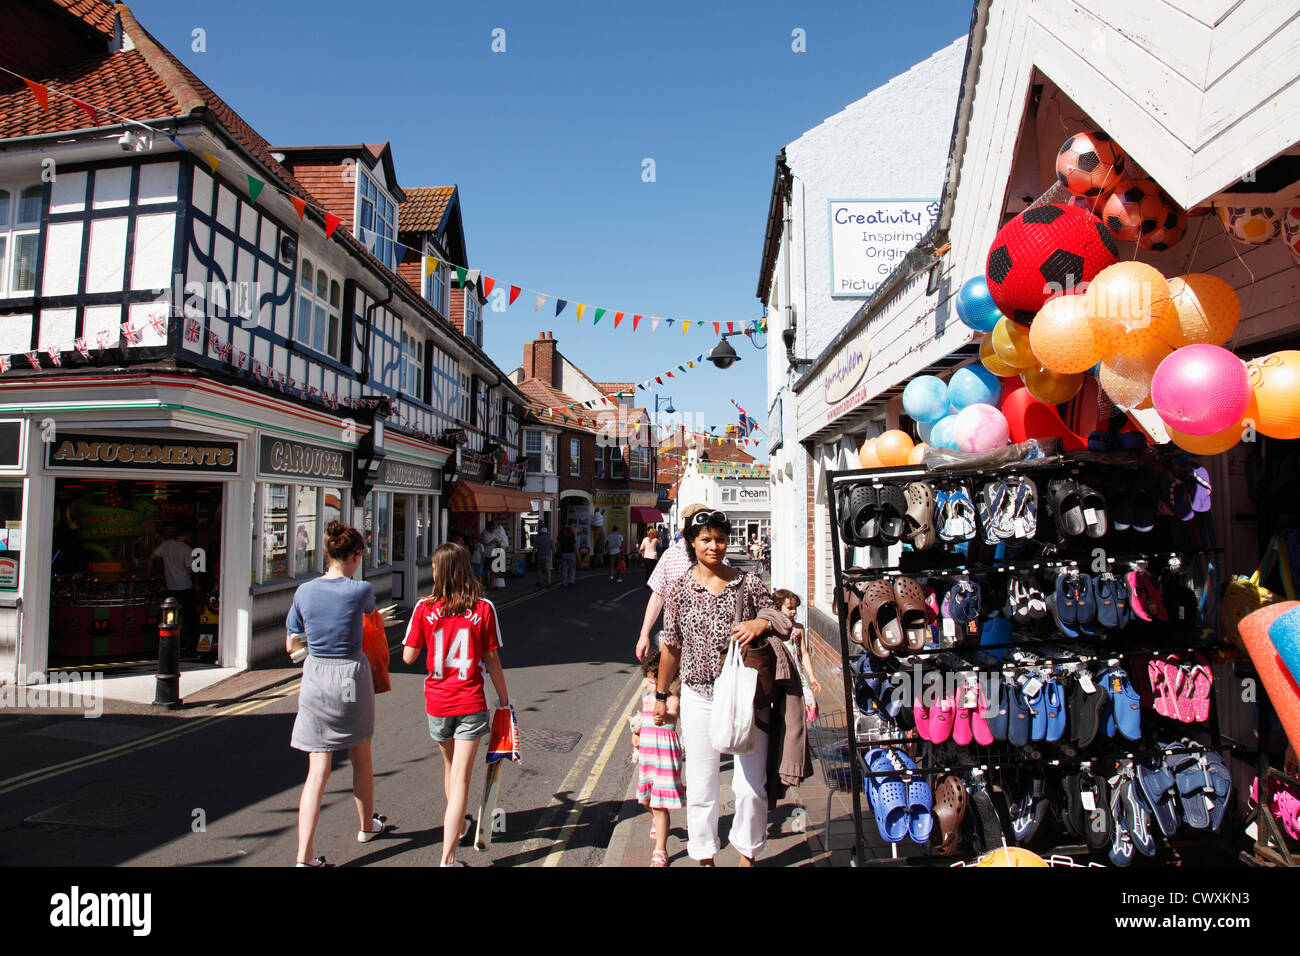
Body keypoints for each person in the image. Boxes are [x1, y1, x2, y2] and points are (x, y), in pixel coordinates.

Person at [653, 509, 791, 865]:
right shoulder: (679, 589)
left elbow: (777, 616)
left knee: (749, 789)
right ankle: (705, 858)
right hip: (698, 696)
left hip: (745, 697)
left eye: (720, 538)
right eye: (706, 539)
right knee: (701, 788)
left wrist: (760, 622)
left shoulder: (747, 582)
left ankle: (747, 856)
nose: (714, 546)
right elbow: (670, 646)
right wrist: (661, 693)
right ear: (690, 542)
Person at [403, 543, 511, 867]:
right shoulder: (483, 609)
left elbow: (408, 656)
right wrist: (504, 699)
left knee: (451, 770)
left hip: (437, 702)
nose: (432, 572)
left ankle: (459, 825)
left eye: (435, 567)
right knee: (461, 778)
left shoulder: (423, 608)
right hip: (470, 700)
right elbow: (491, 659)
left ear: (442, 572)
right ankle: (447, 860)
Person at [286, 521, 386, 867]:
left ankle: (303, 858)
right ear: (355, 556)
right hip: (350, 676)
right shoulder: (360, 590)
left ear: (327, 554)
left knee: (317, 772)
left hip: (315, 677)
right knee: (361, 760)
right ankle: (366, 826)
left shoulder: (303, 592)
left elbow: (291, 642)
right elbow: (371, 620)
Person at [635, 503, 728, 663]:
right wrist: (644, 634)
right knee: (671, 684)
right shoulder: (670, 556)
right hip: (676, 641)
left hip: (712, 642)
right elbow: (657, 596)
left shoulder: (716, 556)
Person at [632, 647, 684, 867]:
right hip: (647, 756)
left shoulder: (671, 700)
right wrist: (635, 735)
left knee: (660, 803)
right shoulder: (646, 699)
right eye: (649, 682)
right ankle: (657, 817)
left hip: (665, 756)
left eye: (654, 683)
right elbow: (642, 722)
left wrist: (666, 716)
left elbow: (673, 714)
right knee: (646, 799)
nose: (651, 687)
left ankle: (660, 850)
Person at [772, 588, 823, 718]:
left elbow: (804, 653)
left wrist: (811, 676)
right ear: (778, 607)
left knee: (803, 703)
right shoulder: (773, 629)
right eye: (789, 608)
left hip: (796, 672)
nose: (794, 611)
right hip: (779, 673)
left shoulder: (798, 629)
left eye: (795, 608)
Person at [149, 525, 197, 654]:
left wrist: (148, 572)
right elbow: (189, 568)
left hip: (170, 586)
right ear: (186, 535)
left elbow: (152, 557)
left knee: (171, 615)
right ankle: (188, 643)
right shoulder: (186, 549)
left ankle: (171, 641)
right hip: (185, 585)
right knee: (188, 616)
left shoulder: (166, 545)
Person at [557, 521, 578, 587]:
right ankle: (571, 581)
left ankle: (564, 583)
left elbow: (558, 545)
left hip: (564, 554)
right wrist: (578, 555)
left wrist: (557, 552)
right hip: (571, 554)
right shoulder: (572, 537)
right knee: (572, 568)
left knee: (564, 569)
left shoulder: (561, 537)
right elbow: (574, 547)